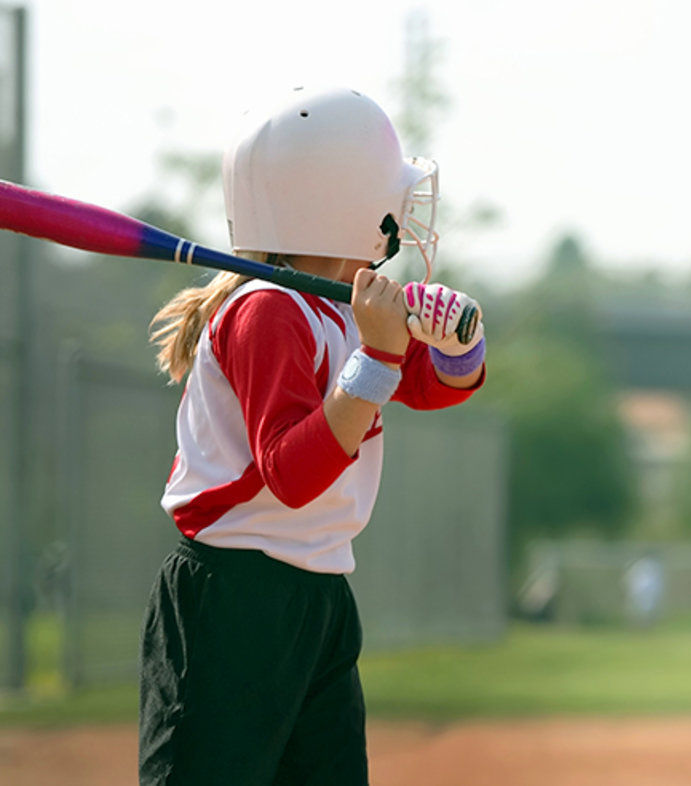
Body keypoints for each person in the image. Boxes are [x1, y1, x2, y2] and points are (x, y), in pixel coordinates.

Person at [138, 86, 487, 786]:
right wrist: (381, 354)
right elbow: (292, 476)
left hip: (317, 592)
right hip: (236, 596)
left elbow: (432, 384)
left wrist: (460, 344)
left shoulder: (346, 304)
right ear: (339, 201)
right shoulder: (266, 311)